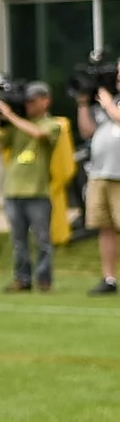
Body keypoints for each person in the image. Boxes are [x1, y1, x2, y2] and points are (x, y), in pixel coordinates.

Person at [0, 81, 68, 292]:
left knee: (42, 240)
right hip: (13, 191)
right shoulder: (18, 126)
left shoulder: (52, 124)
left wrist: (11, 116)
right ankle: (22, 279)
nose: (29, 106)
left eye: (32, 101)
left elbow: (39, 134)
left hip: (37, 192)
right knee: (18, 241)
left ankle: (44, 280)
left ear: (46, 101)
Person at [78, 83, 120, 295]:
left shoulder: (110, 103)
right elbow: (88, 131)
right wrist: (84, 103)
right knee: (105, 228)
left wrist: (109, 104)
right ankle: (109, 278)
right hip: (99, 174)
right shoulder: (110, 102)